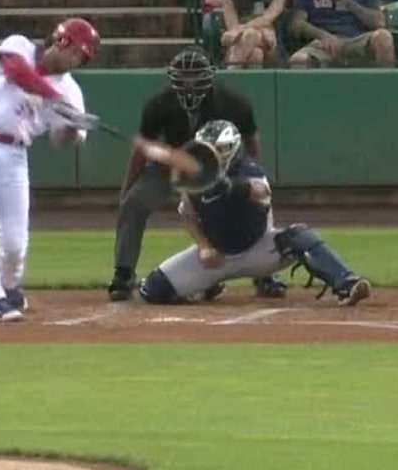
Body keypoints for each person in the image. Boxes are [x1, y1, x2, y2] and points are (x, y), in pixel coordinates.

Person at [132, 120, 373, 307]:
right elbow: (187, 214)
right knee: (151, 291)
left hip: (260, 250)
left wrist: (228, 185)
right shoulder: (196, 179)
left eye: (221, 150)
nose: (216, 156)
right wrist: (204, 246)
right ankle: (208, 285)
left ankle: (346, 283)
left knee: (300, 235)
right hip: (218, 257)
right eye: (211, 150)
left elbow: (260, 191)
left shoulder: (249, 170)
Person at [107, 47, 283, 301]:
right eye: (184, 77)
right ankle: (123, 275)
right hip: (172, 167)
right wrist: (127, 189)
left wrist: (251, 174)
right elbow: (142, 151)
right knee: (134, 203)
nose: (189, 83)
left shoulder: (232, 101)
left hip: (222, 167)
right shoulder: (159, 104)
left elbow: (252, 141)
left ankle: (265, 275)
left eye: (196, 76)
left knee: (252, 200)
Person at [0, 19, 98, 322]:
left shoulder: (71, 91)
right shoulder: (19, 45)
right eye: (76, 53)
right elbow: (17, 72)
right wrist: (53, 98)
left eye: (83, 58)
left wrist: (73, 127)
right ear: (61, 41)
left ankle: (8, 288)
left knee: (14, 243)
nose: (77, 61)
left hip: (15, 155)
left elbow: (61, 141)